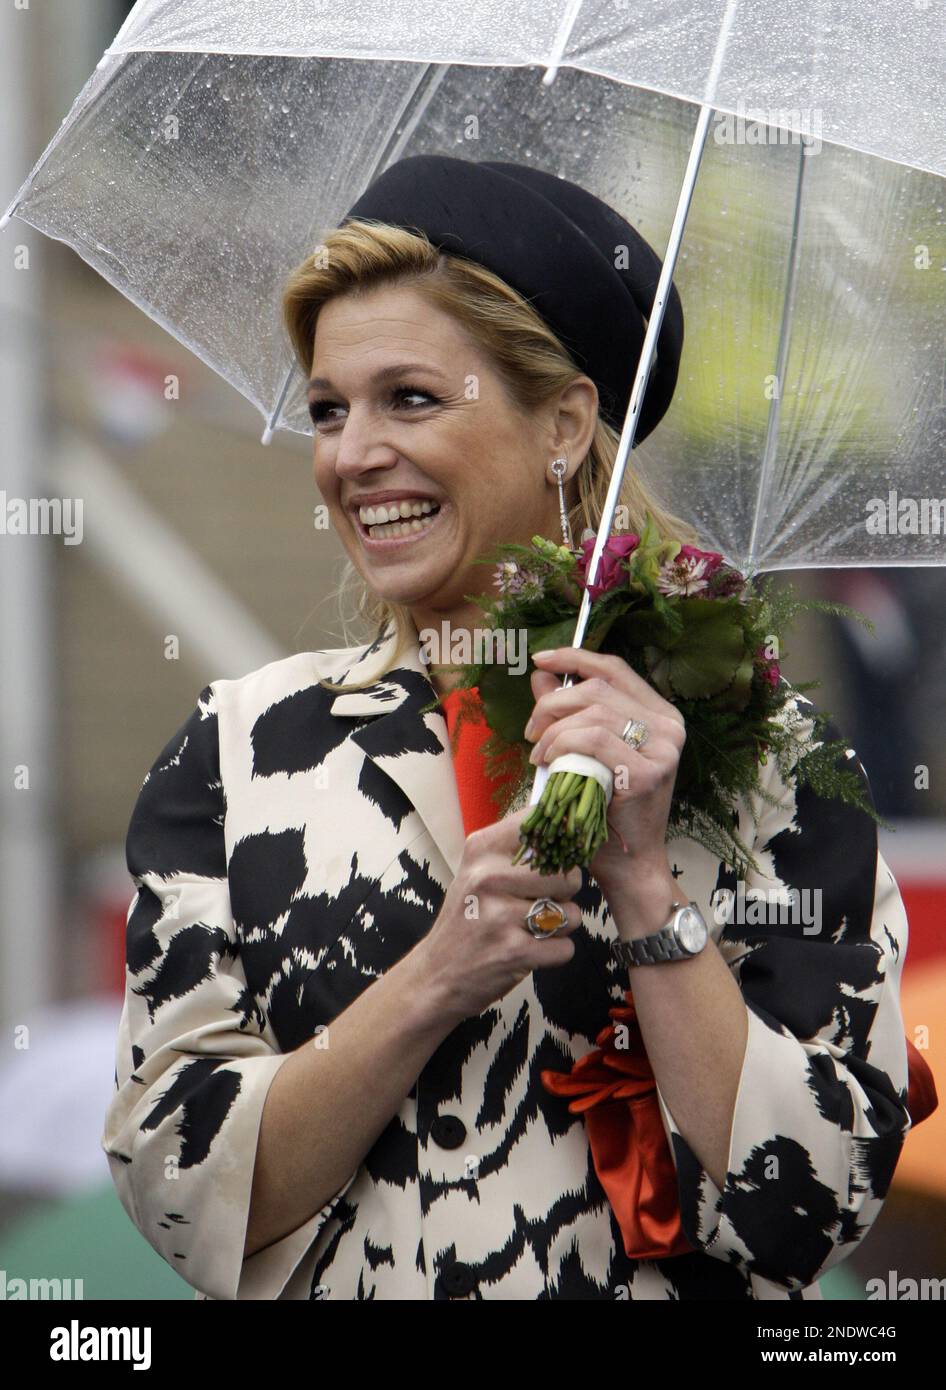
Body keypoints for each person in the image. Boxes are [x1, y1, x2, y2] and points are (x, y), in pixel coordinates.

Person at [101, 155, 928, 1301]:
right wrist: (436, 976)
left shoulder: (776, 763)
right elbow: (178, 1190)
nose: (351, 455)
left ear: (565, 422)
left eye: (411, 399)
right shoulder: (237, 749)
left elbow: (816, 1209)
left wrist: (646, 894)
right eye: (330, 409)